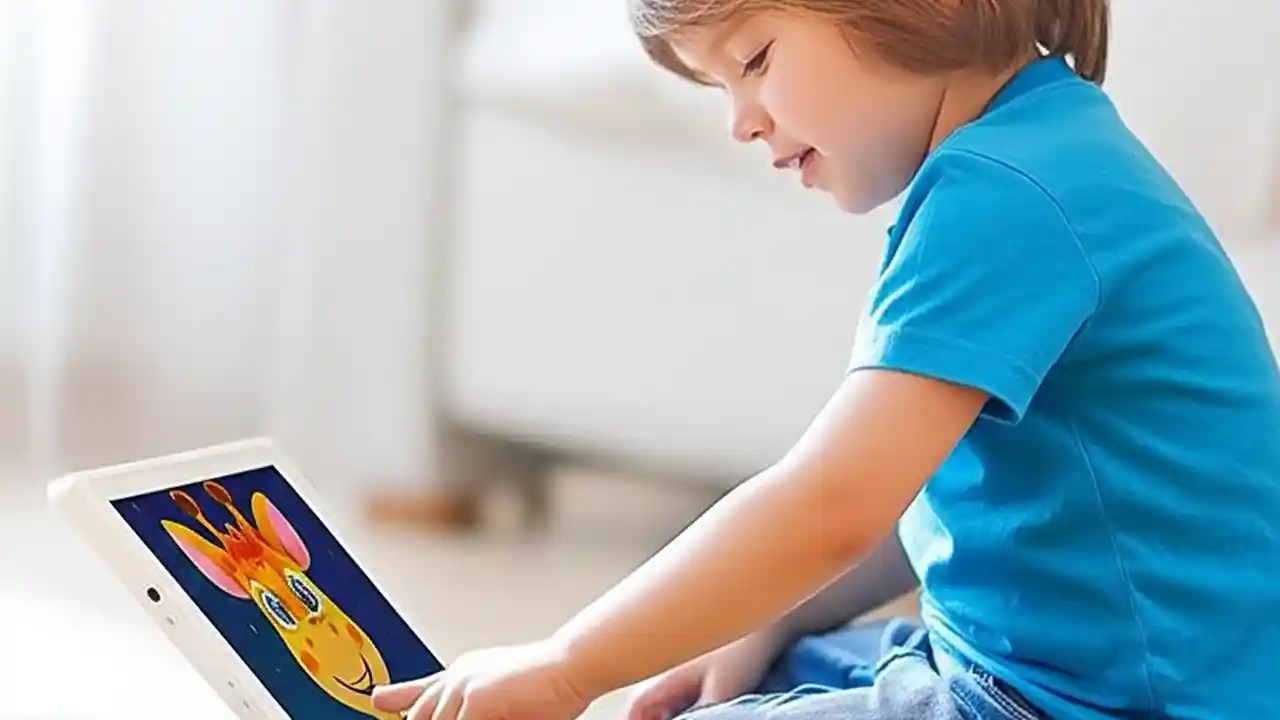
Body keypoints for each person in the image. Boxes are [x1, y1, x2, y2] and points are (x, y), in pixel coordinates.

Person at [371, 1, 1280, 718]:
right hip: (1045, 670)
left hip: (1097, 703)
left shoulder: (1004, 197)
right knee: (747, 673)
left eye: (755, 60)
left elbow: (831, 505)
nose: (740, 121)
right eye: (717, 84)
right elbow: (915, 510)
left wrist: (567, 667)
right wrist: (768, 616)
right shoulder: (1038, 151)